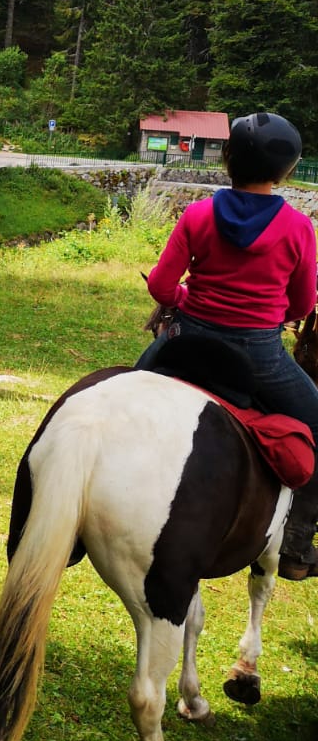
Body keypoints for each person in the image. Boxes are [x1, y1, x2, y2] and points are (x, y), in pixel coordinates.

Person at [136, 110, 318, 580]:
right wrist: (266, 318)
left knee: (125, 391)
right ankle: (297, 545)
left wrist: (181, 298)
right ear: (287, 170)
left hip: (188, 338)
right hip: (259, 355)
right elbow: (300, 304)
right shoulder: (299, 228)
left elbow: (161, 286)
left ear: (228, 159)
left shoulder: (197, 214)